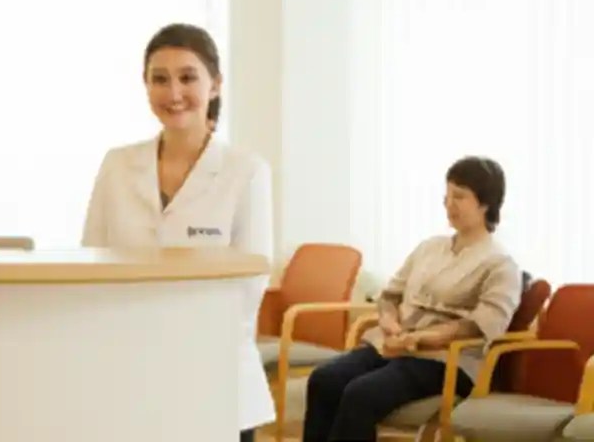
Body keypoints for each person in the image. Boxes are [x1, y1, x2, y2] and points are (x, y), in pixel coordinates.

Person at [82, 23, 274, 442]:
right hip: (129, 367)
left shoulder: (246, 171)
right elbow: (91, 263)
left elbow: (250, 282)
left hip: (216, 373)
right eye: (160, 78)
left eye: (188, 77)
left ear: (216, 85)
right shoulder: (117, 165)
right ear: (145, 86)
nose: (174, 93)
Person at [303, 156, 522, 442]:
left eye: (460, 197)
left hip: (445, 360)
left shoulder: (500, 264)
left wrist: (420, 339)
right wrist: (389, 321)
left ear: (486, 203)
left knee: (361, 394)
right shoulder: (430, 247)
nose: (449, 204)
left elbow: (482, 326)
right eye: (447, 195)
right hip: (393, 345)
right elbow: (390, 296)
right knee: (323, 380)